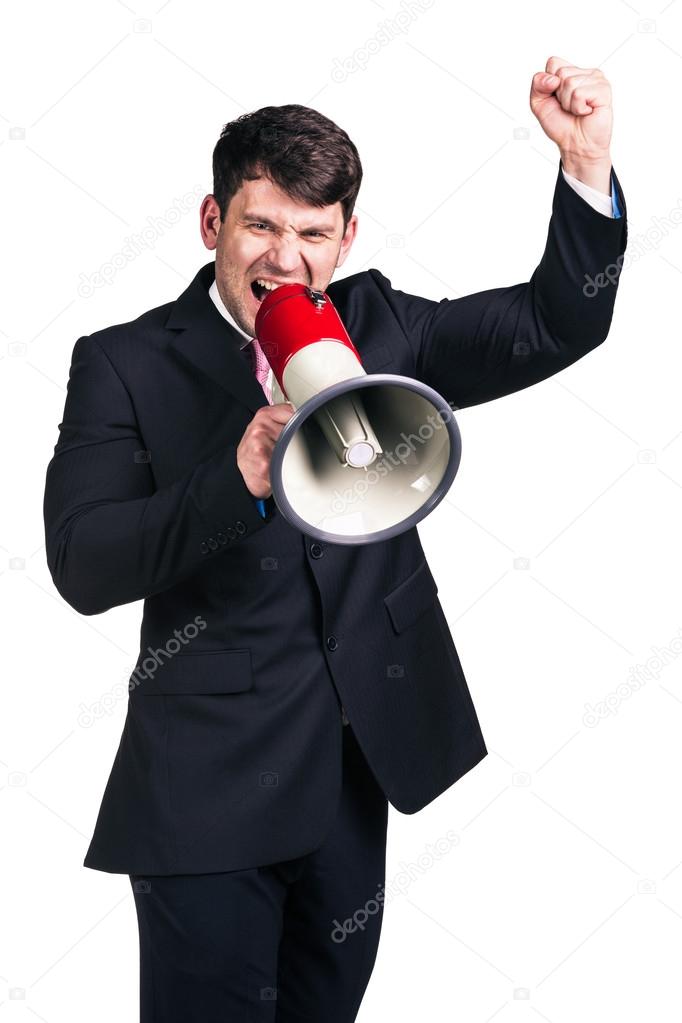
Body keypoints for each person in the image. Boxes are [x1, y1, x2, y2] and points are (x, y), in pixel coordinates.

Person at [43, 56, 627, 1022]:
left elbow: (554, 324)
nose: (286, 257)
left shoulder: (380, 324)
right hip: (206, 798)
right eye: (261, 224)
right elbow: (82, 562)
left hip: (356, 781)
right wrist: (232, 481)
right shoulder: (124, 362)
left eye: (314, 233)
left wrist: (586, 169)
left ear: (347, 236)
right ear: (212, 223)